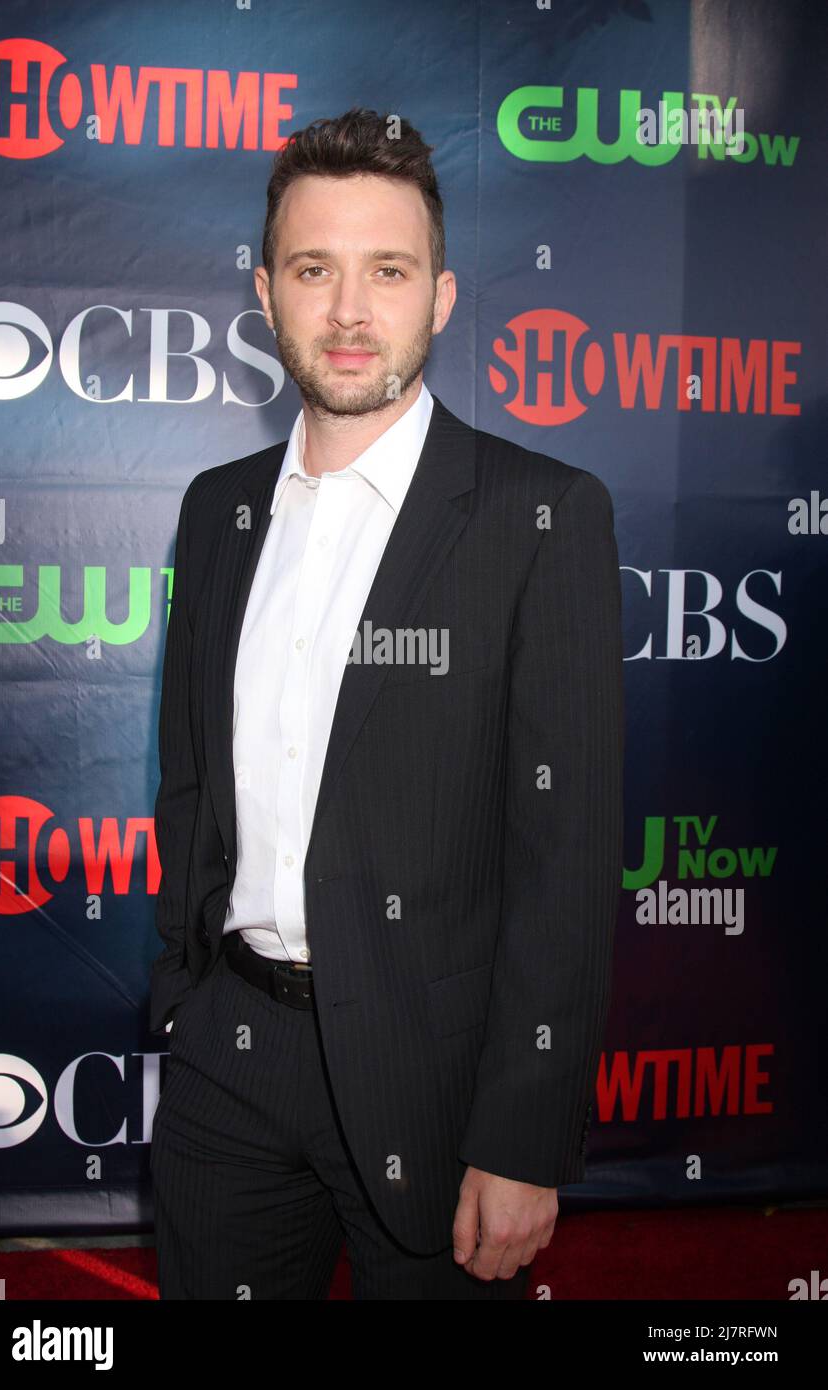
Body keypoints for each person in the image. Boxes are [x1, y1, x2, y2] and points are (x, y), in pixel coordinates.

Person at [149, 107, 624, 1301]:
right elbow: (192, 778)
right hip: (230, 1072)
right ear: (265, 291)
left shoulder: (540, 515)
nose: (350, 311)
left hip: (439, 1077)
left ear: (443, 296)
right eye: (314, 269)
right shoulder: (218, 509)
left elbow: (564, 858)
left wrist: (520, 1137)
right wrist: (186, 999)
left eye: (388, 272)